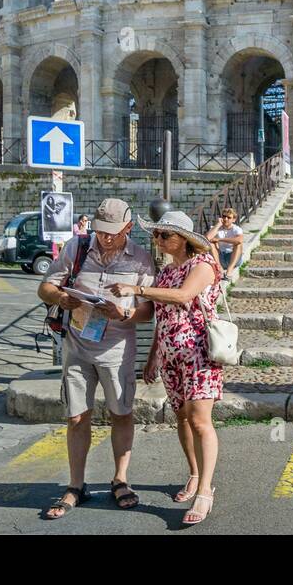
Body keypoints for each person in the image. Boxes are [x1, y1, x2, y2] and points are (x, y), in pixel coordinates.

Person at [37, 199, 155, 520]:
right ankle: (76, 486)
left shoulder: (142, 259)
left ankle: (120, 480)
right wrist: (64, 297)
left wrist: (124, 312)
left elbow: (149, 309)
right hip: (77, 346)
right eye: (100, 232)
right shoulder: (77, 247)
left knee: (121, 413)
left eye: (113, 233)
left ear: (128, 229)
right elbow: (44, 287)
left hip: (117, 349)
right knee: (76, 417)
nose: (105, 238)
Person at [112, 211, 224, 526]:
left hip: (199, 353)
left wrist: (136, 290)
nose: (158, 241)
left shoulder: (202, 266)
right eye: (157, 235)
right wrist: (152, 358)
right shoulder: (167, 272)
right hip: (171, 356)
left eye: (164, 235)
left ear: (184, 240)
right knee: (182, 418)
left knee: (201, 421)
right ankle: (193, 473)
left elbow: (184, 296)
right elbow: (162, 317)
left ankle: (205, 490)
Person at [207, 207, 245, 279]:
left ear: (234, 219)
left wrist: (219, 239)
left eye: (229, 217)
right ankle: (220, 269)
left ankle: (229, 270)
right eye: (224, 216)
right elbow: (207, 238)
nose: (225, 219)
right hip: (219, 258)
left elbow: (239, 240)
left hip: (232, 258)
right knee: (211, 244)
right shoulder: (216, 227)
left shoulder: (236, 229)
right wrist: (218, 224)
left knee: (238, 244)